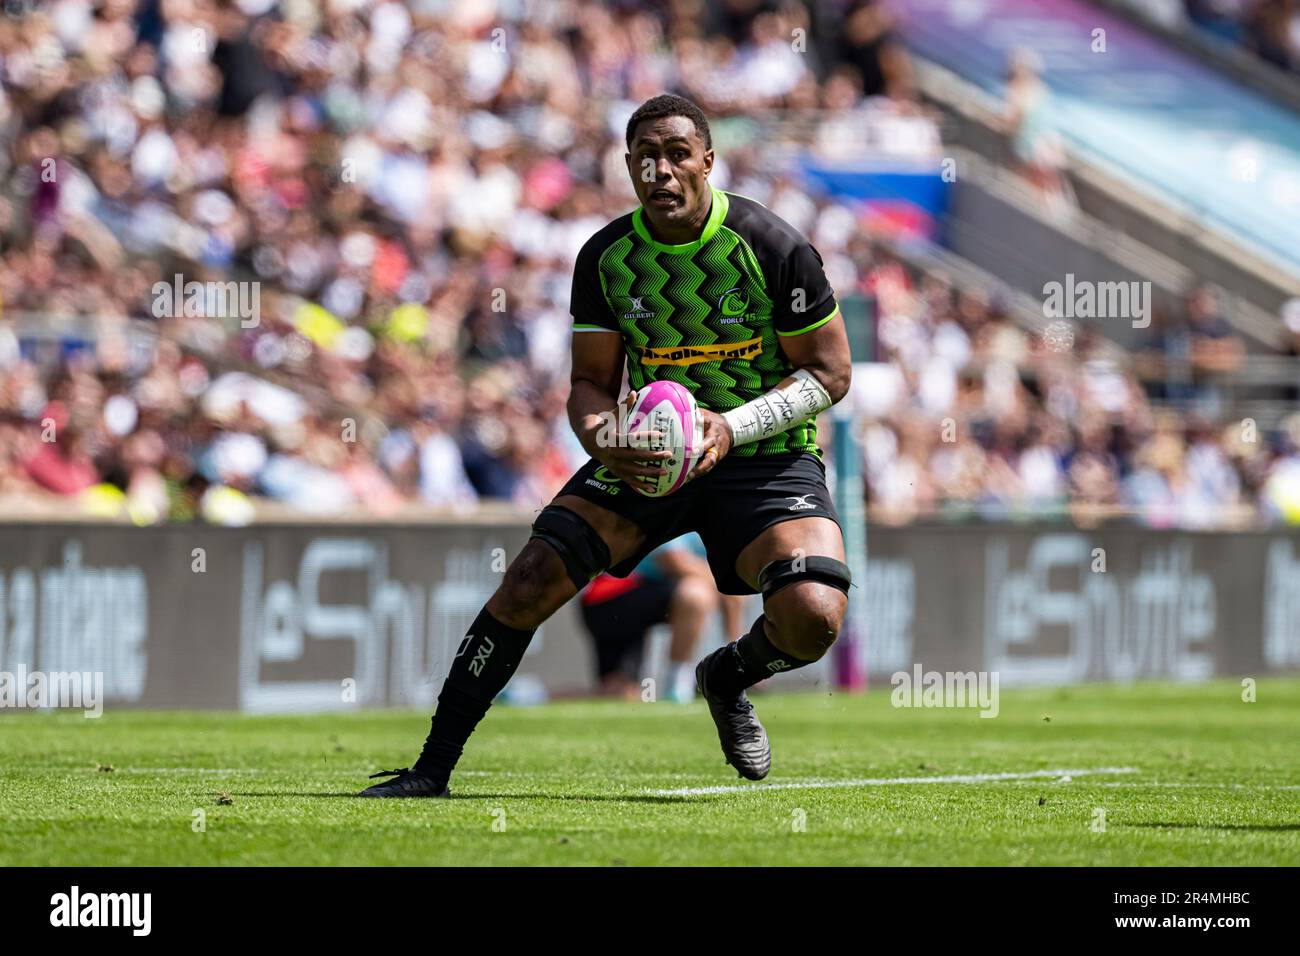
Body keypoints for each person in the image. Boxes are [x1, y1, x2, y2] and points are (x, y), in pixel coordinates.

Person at [361, 93, 853, 797]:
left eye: (677, 153)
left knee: (812, 616)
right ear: (628, 166)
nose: (661, 169)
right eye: (645, 156)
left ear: (708, 161)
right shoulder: (606, 258)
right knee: (529, 578)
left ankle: (727, 675)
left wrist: (730, 426)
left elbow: (831, 373)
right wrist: (600, 436)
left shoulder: (771, 245)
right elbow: (590, 383)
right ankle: (431, 769)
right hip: (651, 457)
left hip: (763, 454)